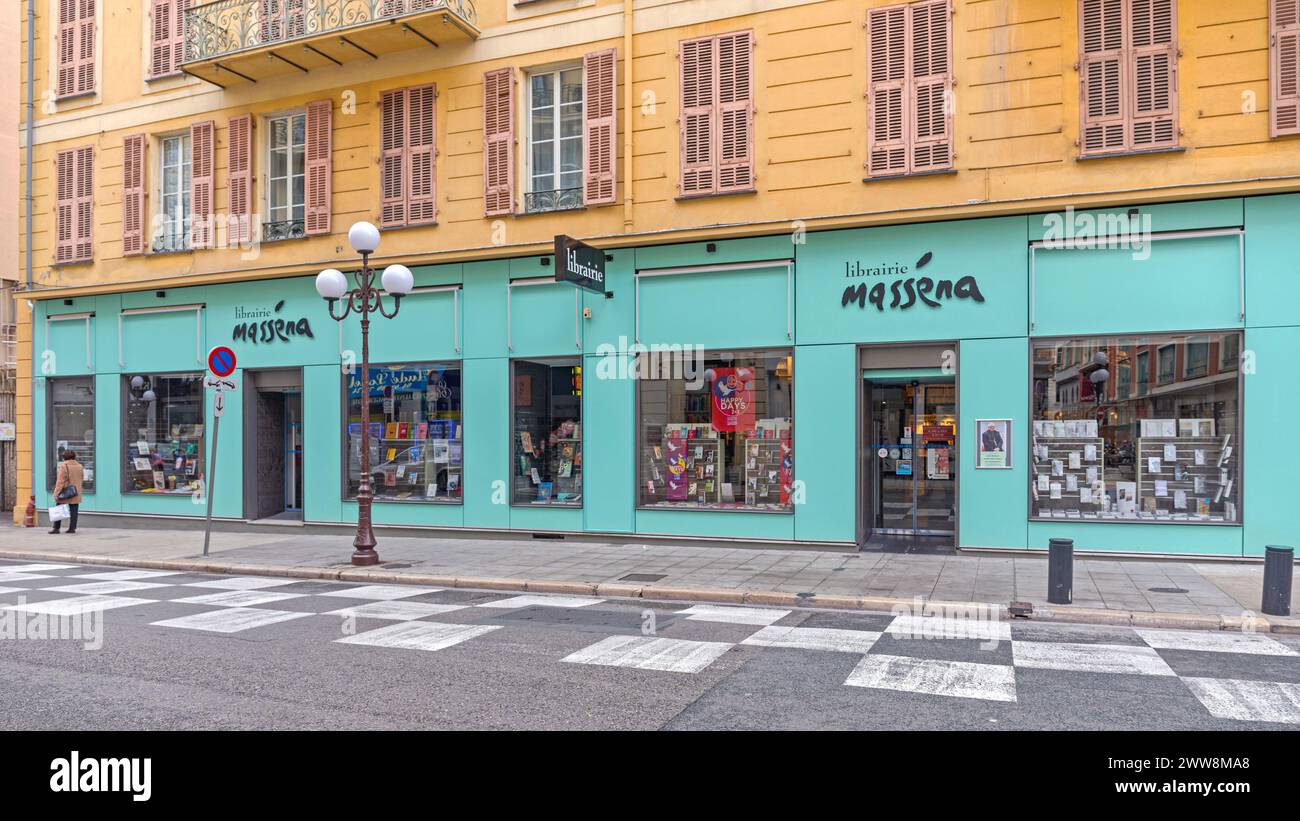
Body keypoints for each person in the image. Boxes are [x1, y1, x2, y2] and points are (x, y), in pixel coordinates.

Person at [50, 450, 84, 535]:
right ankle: (72, 528)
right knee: (74, 510)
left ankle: (56, 528)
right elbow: (81, 478)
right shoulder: (80, 466)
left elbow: (60, 481)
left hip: (65, 492)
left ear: (64, 457)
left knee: (59, 508)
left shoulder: (64, 466)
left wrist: (56, 493)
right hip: (76, 491)